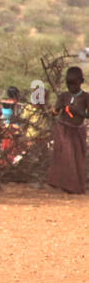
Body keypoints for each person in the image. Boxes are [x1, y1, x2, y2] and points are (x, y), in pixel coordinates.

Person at [47, 66, 87, 194]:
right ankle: (64, 184)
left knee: (77, 158)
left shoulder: (86, 97)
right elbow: (54, 112)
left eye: (74, 84)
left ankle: (76, 186)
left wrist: (79, 112)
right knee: (65, 156)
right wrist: (55, 109)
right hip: (63, 129)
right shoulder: (63, 96)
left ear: (81, 81)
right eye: (68, 84)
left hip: (77, 131)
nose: (71, 87)